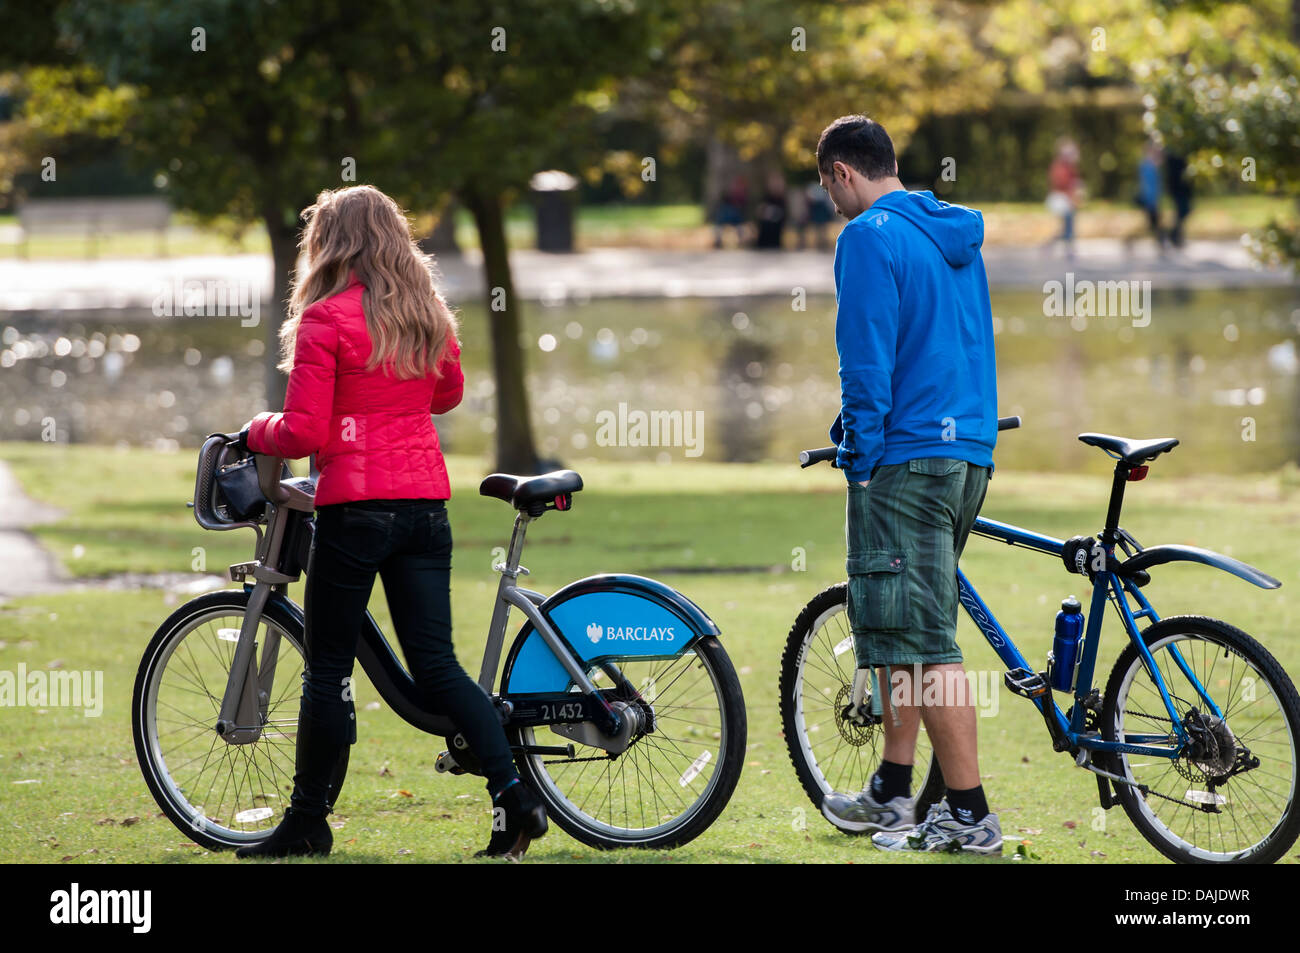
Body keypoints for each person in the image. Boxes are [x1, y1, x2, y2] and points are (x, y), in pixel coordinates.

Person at [233, 184, 547, 860]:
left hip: (355, 512)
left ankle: (307, 823)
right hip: (424, 509)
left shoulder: (325, 318)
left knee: (326, 670)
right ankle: (514, 794)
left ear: (330, 244)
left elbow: (303, 431)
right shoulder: (425, 311)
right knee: (438, 667)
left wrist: (256, 430)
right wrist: (392, 393)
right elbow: (447, 393)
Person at [813, 115, 1002, 854]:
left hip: (906, 460)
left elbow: (866, 359)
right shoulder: (949, 232)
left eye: (827, 186)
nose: (831, 202)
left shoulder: (867, 238)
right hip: (968, 452)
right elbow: (950, 342)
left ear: (842, 172)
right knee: (901, 628)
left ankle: (970, 813)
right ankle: (893, 791)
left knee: (925, 643)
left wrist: (857, 455)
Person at [1045, 138, 1082, 258]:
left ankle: (1055, 245)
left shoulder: (1071, 168)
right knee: (1068, 224)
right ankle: (1066, 247)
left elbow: (1074, 185)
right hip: (1059, 199)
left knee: (1067, 227)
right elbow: (1061, 184)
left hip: (1066, 199)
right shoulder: (1059, 167)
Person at [1164, 151, 1193, 248]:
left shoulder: (1175, 161)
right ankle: (1174, 236)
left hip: (1181, 191)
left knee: (1182, 214)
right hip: (1178, 191)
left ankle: (1175, 235)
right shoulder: (1173, 160)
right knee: (1182, 213)